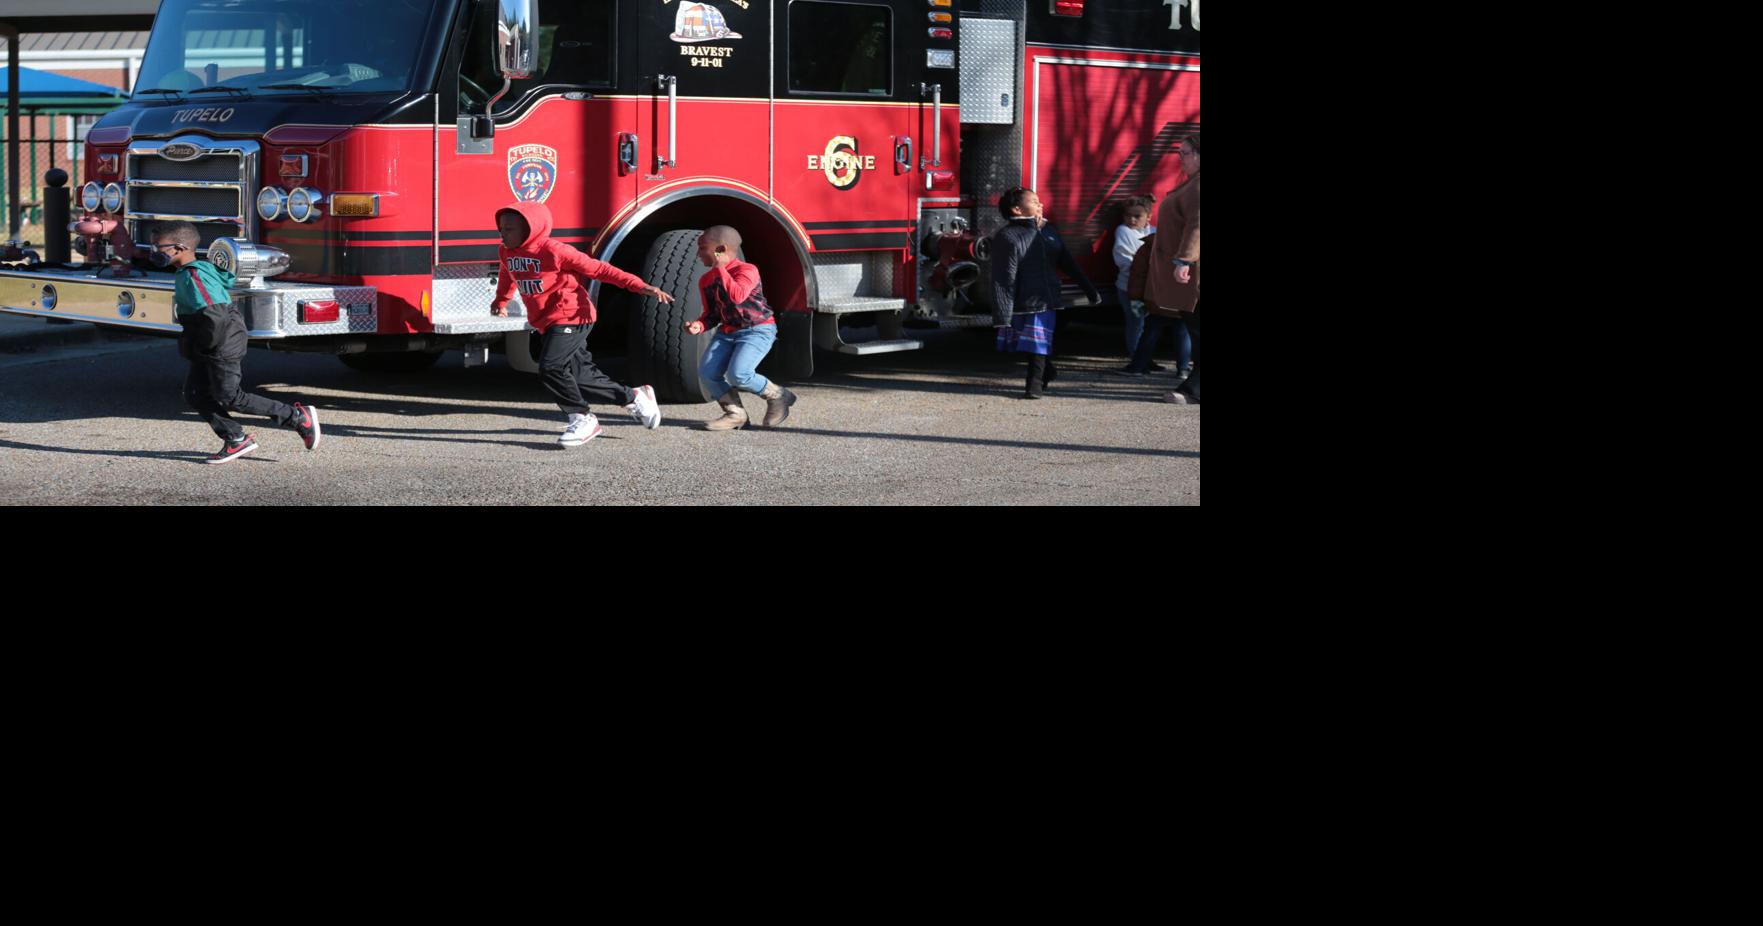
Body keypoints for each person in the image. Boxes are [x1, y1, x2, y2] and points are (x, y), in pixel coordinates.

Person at [491, 201, 671, 447]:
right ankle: (635, 396)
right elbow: (507, 274)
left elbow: (599, 270)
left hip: (573, 315)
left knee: (551, 367)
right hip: (546, 320)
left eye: (509, 229)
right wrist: (501, 300)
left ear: (531, 229)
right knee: (581, 374)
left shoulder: (554, 250)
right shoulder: (507, 252)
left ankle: (582, 417)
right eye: (501, 228)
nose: (503, 233)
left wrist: (639, 286)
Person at [156, 222, 320, 464]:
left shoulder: (195, 275)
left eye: (159, 247)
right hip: (208, 339)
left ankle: (297, 417)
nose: (154, 252)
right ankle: (236, 439)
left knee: (231, 397)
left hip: (221, 340)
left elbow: (215, 315)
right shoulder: (189, 272)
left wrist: (205, 347)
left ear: (179, 248)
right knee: (196, 394)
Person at [990, 188, 1099, 399]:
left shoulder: (1048, 231)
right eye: (1034, 201)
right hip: (1022, 299)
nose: (1040, 205)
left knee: (1037, 343)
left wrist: (1089, 290)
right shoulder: (1007, 236)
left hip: (1046, 299)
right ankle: (1048, 371)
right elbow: (1003, 278)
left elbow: (1068, 262)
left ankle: (1034, 386)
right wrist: (1002, 313)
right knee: (1031, 343)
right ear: (1017, 209)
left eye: (1039, 201)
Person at [685, 226, 797, 430]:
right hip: (728, 332)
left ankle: (779, 396)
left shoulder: (748, 270)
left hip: (758, 330)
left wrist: (720, 268)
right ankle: (736, 414)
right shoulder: (706, 280)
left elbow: (737, 295)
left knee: (740, 374)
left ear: (720, 249)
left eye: (702, 248)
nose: (698, 254)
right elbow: (712, 314)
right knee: (708, 372)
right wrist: (699, 325)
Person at [1122, 135, 1200, 404]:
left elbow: (1197, 225)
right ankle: (1193, 388)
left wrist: (1185, 261)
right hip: (1187, 270)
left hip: (1193, 274)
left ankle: (1193, 390)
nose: (1180, 158)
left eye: (1185, 153)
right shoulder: (1191, 184)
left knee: (1196, 328)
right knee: (1194, 328)